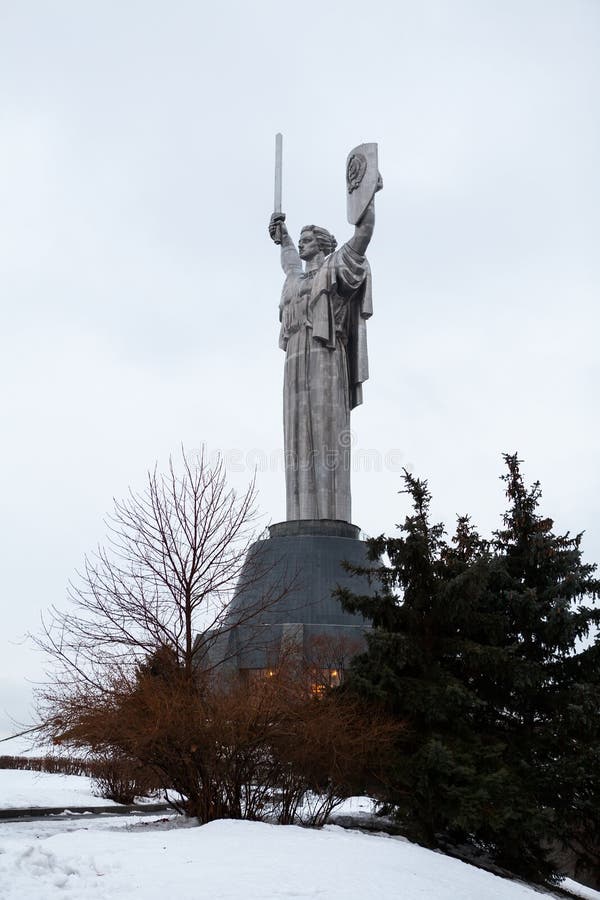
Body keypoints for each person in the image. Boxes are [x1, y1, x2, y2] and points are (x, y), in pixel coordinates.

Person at [268, 180, 380, 523]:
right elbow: (288, 261)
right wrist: (282, 236)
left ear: (320, 244)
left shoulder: (335, 267)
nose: (299, 245)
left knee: (327, 433)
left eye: (305, 240)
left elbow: (363, 235)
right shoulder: (294, 280)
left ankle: (331, 517)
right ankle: (300, 516)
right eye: (299, 241)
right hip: (295, 361)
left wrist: (367, 198)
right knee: (297, 436)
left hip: (326, 356)